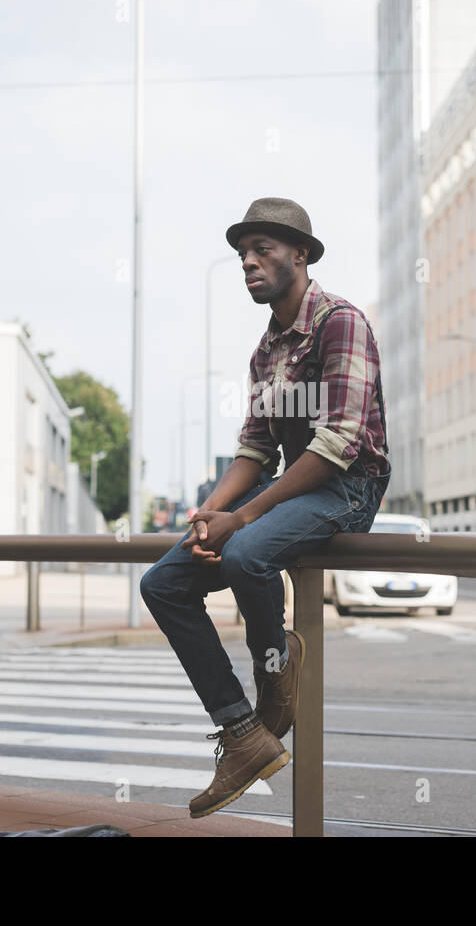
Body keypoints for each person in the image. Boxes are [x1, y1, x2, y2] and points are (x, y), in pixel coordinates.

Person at [139, 196, 391, 818]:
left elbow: (336, 446)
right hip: (291, 489)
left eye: (262, 251)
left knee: (247, 553)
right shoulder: (266, 350)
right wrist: (210, 510)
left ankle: (274, 677)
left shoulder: (341, 322)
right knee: (163, 582)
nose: (248, 263)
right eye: (242, 254)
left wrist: (241, 519)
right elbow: (255, 448)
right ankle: (243, 734)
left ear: (299, 256)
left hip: (347, 487)